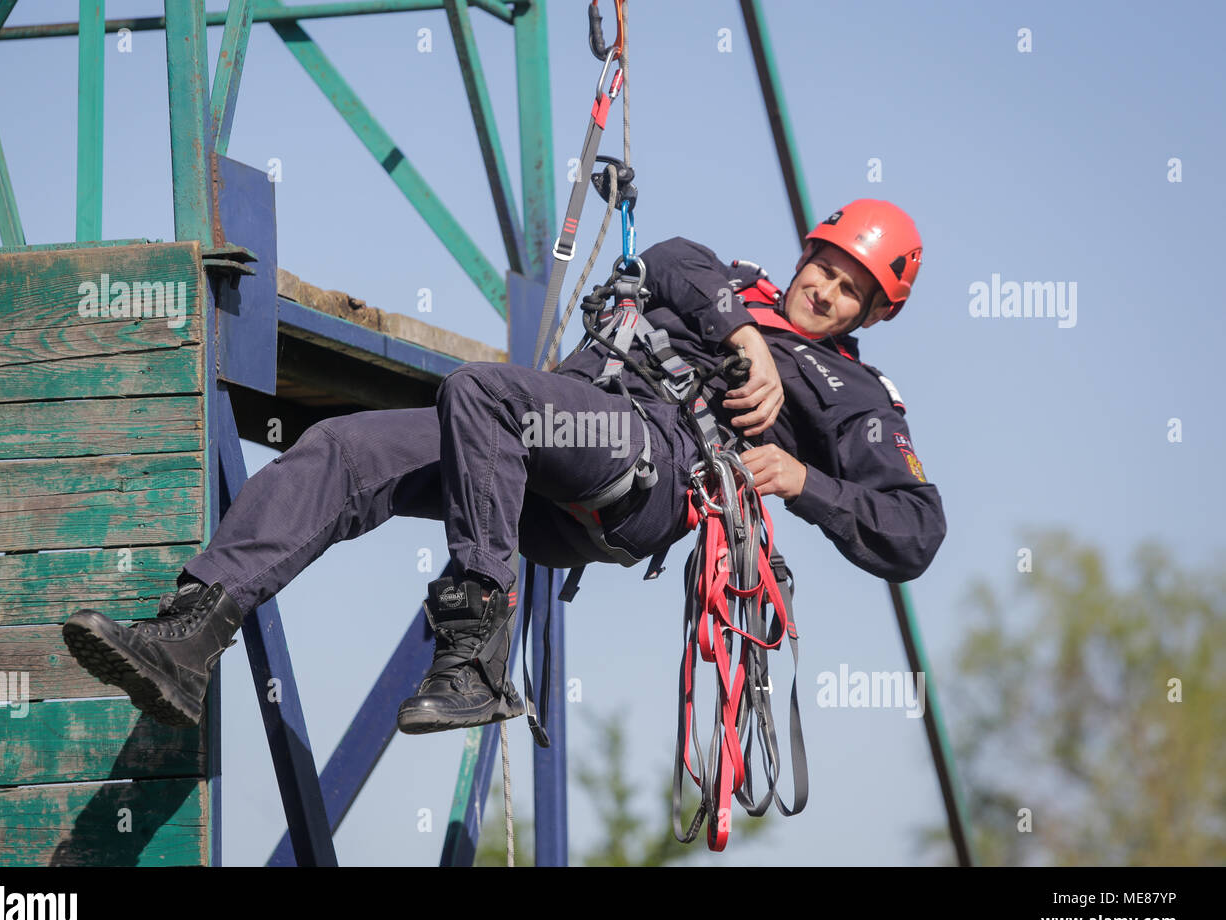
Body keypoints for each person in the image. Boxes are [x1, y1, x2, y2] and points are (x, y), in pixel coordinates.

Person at [62, 198, 945, 735]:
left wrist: (805, 482)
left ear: (873, 311)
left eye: (848, 289)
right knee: (343, 446)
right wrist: (746, 335)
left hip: (648, 470)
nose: (823, 288)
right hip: (531, 459)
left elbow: (916, 530)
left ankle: (475, 655)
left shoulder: (851, 392)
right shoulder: (735, 288)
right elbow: (672, 257)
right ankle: (191, 634)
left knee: (485, 393)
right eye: (824, 265)